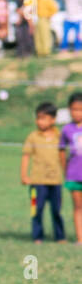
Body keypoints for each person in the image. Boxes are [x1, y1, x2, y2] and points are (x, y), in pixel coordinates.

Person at [21, 101, 66, 243]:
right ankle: (37, 236)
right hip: (37, 182)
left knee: (56, 211)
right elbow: (26, 156)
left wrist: (67, 174)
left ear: (53, 120)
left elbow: (63, 157)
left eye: (43, 118)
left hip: (55, 181)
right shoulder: (33, 137)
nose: (39, 122)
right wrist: (24, 175)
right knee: (36, 209)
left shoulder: (60, 137)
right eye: (38, 118)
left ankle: (60, 236)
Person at [61, 92, 82, 243]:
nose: (77, 113)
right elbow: (61, 151)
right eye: (74, 109)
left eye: (80, 109)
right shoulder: (67, 129)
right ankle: (80, 239)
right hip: (74, 174)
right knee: (78, 207)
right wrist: (65, 170)